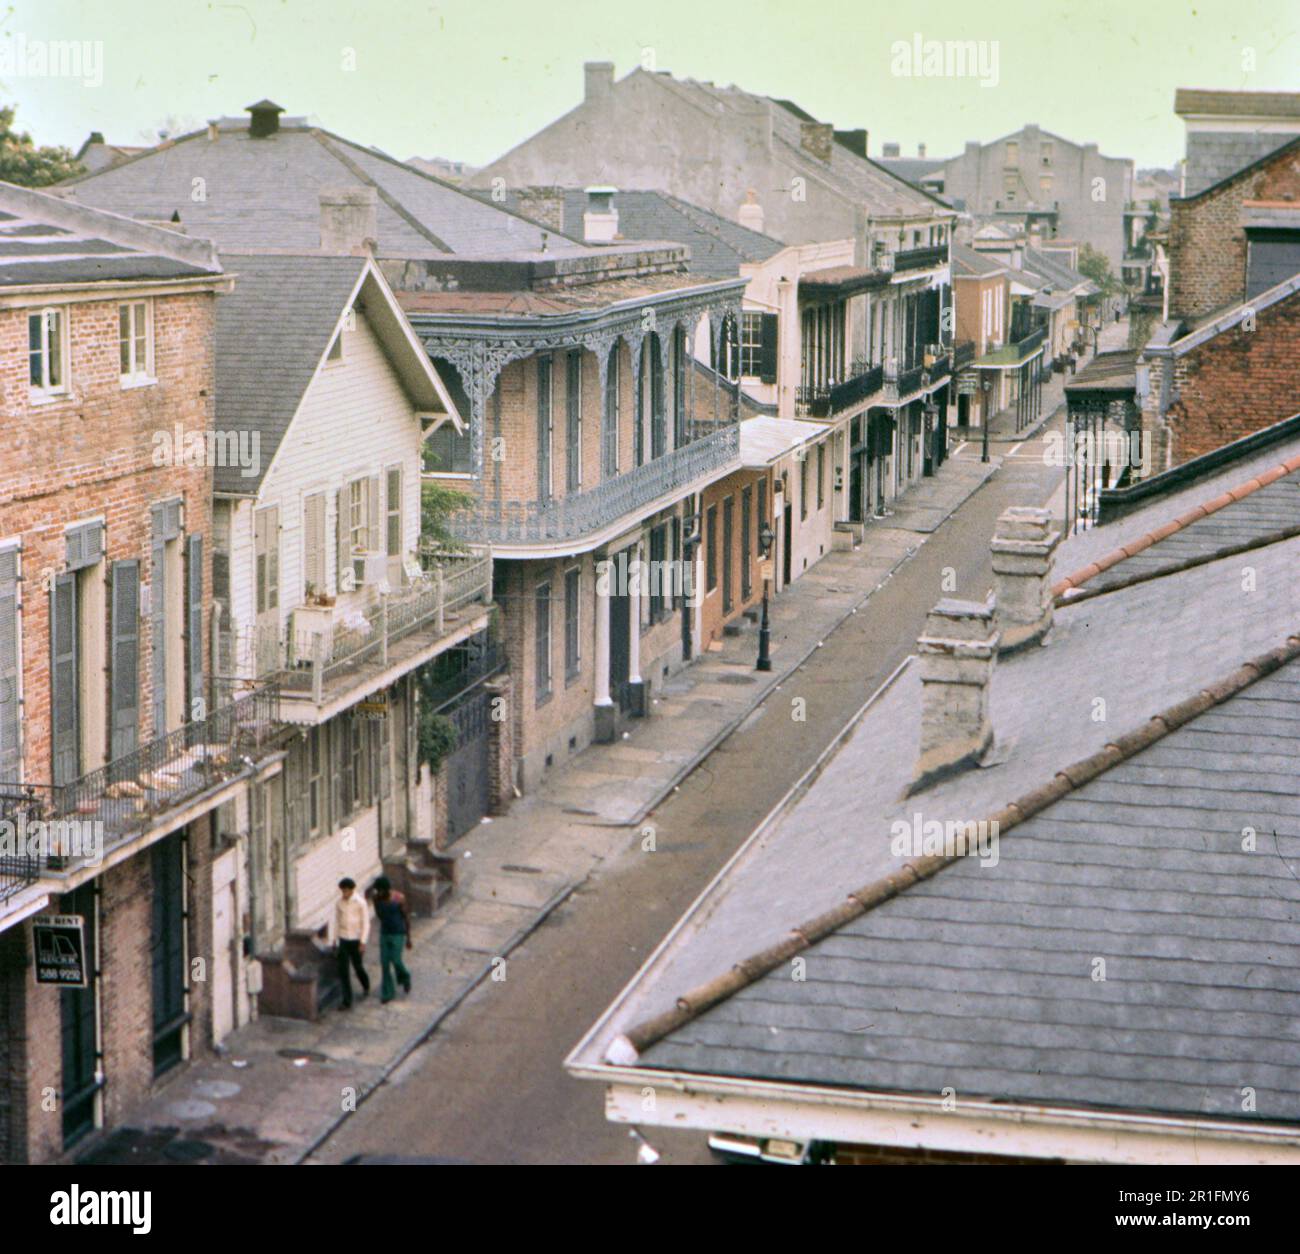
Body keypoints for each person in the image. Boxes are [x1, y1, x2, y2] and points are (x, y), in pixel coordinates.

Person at [327, 877, 370, 1009]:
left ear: (352, 890)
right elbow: (336, 922)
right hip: (344, 939)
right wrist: (333, 939)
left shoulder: (360, 903)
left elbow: (365, 923)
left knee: (358, 967)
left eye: (346, 891)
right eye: (342, 891)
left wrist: (363, 941)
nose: (344, 894)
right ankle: (347, 1000)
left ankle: (365, 984)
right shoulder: (339, 903)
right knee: (343, 970)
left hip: (356, 940)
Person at [370, 876, 412, 1003]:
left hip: (398, 933)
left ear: (386, 889)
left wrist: (408, 937)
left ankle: (405, 977)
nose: (378, 893)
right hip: (385, 933)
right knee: (384, 963)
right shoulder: (376, 899)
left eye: (380, 890)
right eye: (377, 890)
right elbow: (379, 915)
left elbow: (406, 918)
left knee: (396, 960)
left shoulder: (399, 899)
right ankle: (388, 992)